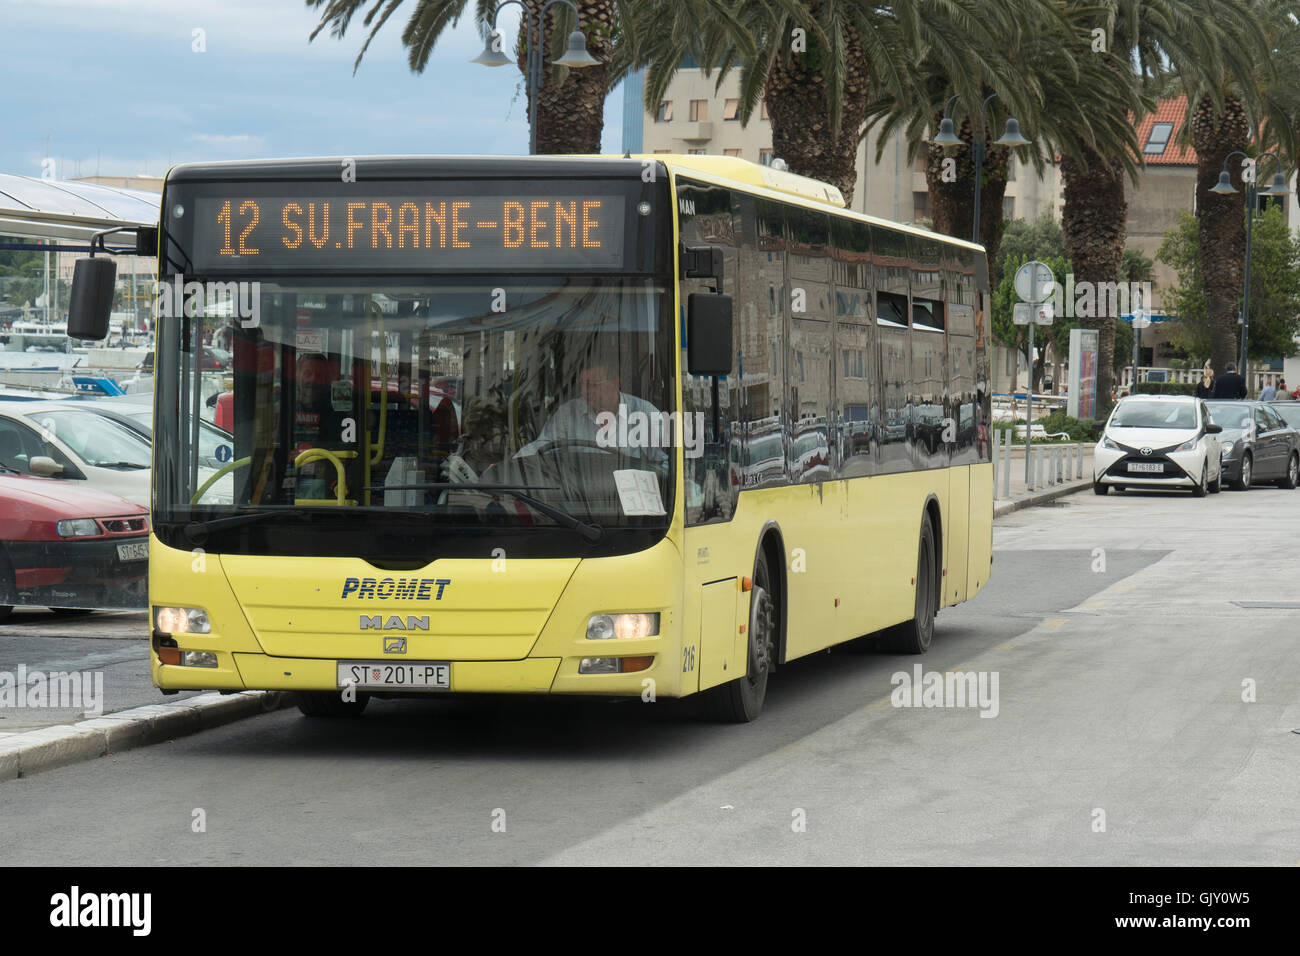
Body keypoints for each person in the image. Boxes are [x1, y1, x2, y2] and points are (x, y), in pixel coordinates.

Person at [516, 358, 666, 466]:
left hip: (628, 501)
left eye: (593, 385)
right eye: (583, 384)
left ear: (616, 383)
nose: (585, 391)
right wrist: (511, 464)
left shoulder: (643, 413)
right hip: (578, 501)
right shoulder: (568, 414)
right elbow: (542, 446)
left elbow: (666, 461)